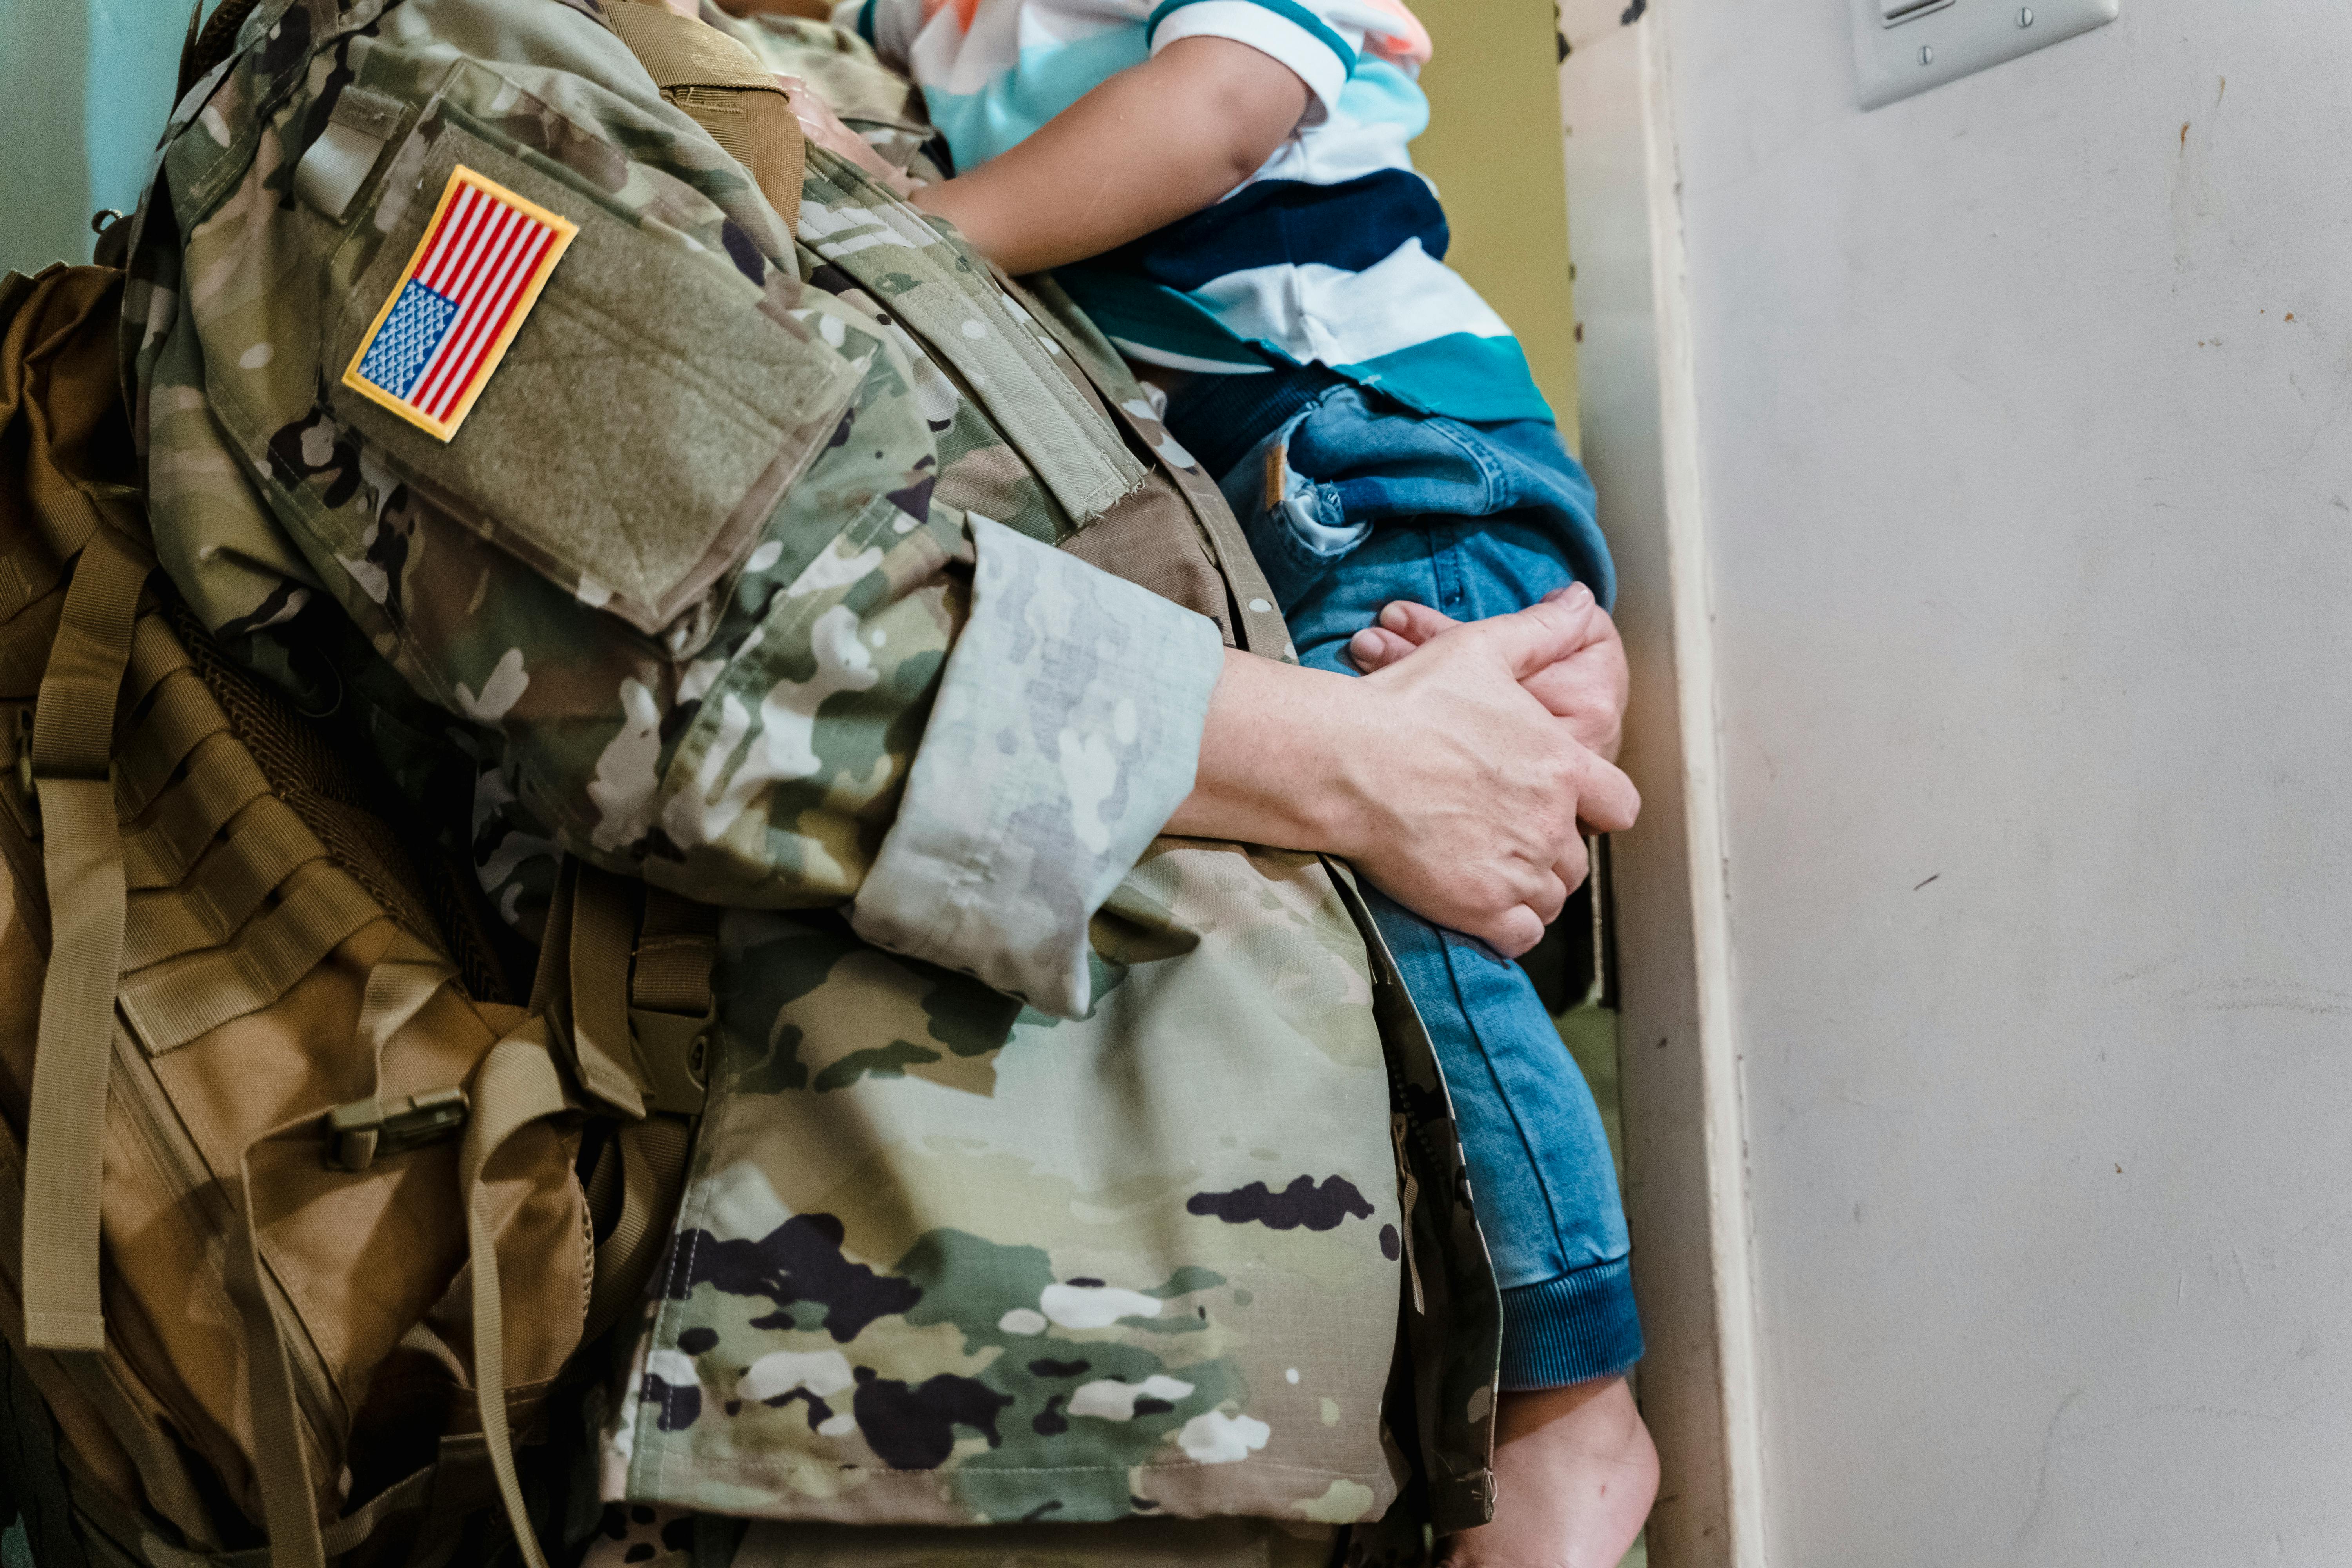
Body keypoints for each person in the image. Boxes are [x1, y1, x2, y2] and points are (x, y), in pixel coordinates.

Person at [123, 0, 1637, 1561]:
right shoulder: (425, 65)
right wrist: (1358, 756)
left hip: (1225, 1405)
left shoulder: (838, 76)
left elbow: (1157, 575)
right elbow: (728, 648)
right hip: (900, 1413)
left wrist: (1489, 689)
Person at [821, 1, 1657, 1560]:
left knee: (1412, 920)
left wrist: (919, 236)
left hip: (1367, 448)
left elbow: (1216, 109)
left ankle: (1571, 1404)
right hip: (1219, 488)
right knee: (1303, 932)